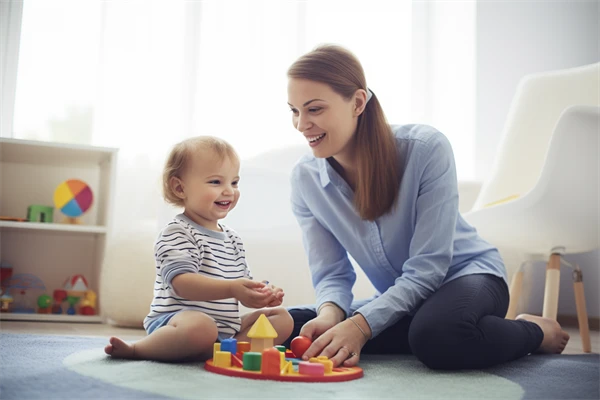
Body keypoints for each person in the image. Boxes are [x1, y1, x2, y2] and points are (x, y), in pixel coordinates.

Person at [282, 44, 570, 370]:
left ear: (358, 103)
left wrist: (362, 326)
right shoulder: (304, 180)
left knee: (437, 337)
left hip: (468, 275)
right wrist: (331, 314)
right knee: (288, 327)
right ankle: (433, 327)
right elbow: (331, 273)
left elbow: (427, 269)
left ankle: (534, 331)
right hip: (410, 299)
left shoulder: (426, 149)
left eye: (315, 109)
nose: (301, 124)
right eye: (294, 111)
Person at [105, 136, 293, 361]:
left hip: (226, 332)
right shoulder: (177, 232)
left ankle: (226, 353)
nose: (229, 191)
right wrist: (233, 288)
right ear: (180, 187)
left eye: (234, 182)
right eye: (216, 182)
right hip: (179, 322)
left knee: (282, 318)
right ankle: (139, 349)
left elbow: (241, 286)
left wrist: (262, 293)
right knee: (202, 327)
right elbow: (183, 284)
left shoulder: (233, 240)